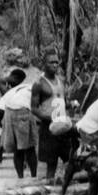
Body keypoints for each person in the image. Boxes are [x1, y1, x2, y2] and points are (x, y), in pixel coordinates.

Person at [31, 51, 72, 183]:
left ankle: (66, 186)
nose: (55, 65)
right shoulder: (39, 84)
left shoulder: (61, 80)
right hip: (48, 126)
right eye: (51, 62)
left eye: (56, 62)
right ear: (44, 64)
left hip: (63, 126)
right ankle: (49, 189)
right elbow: (34, 108)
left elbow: (63, 102)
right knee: (51, 162)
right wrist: (50, 118)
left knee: (70, 158)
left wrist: (71, 105)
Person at [0, 68, 38, 176]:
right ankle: (33, 177)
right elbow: (37, 108)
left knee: (18, 150)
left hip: (8, 113)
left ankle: (20, 178)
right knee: (30, 148)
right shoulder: (32, 87)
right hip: (22, 111)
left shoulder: (15, 90)